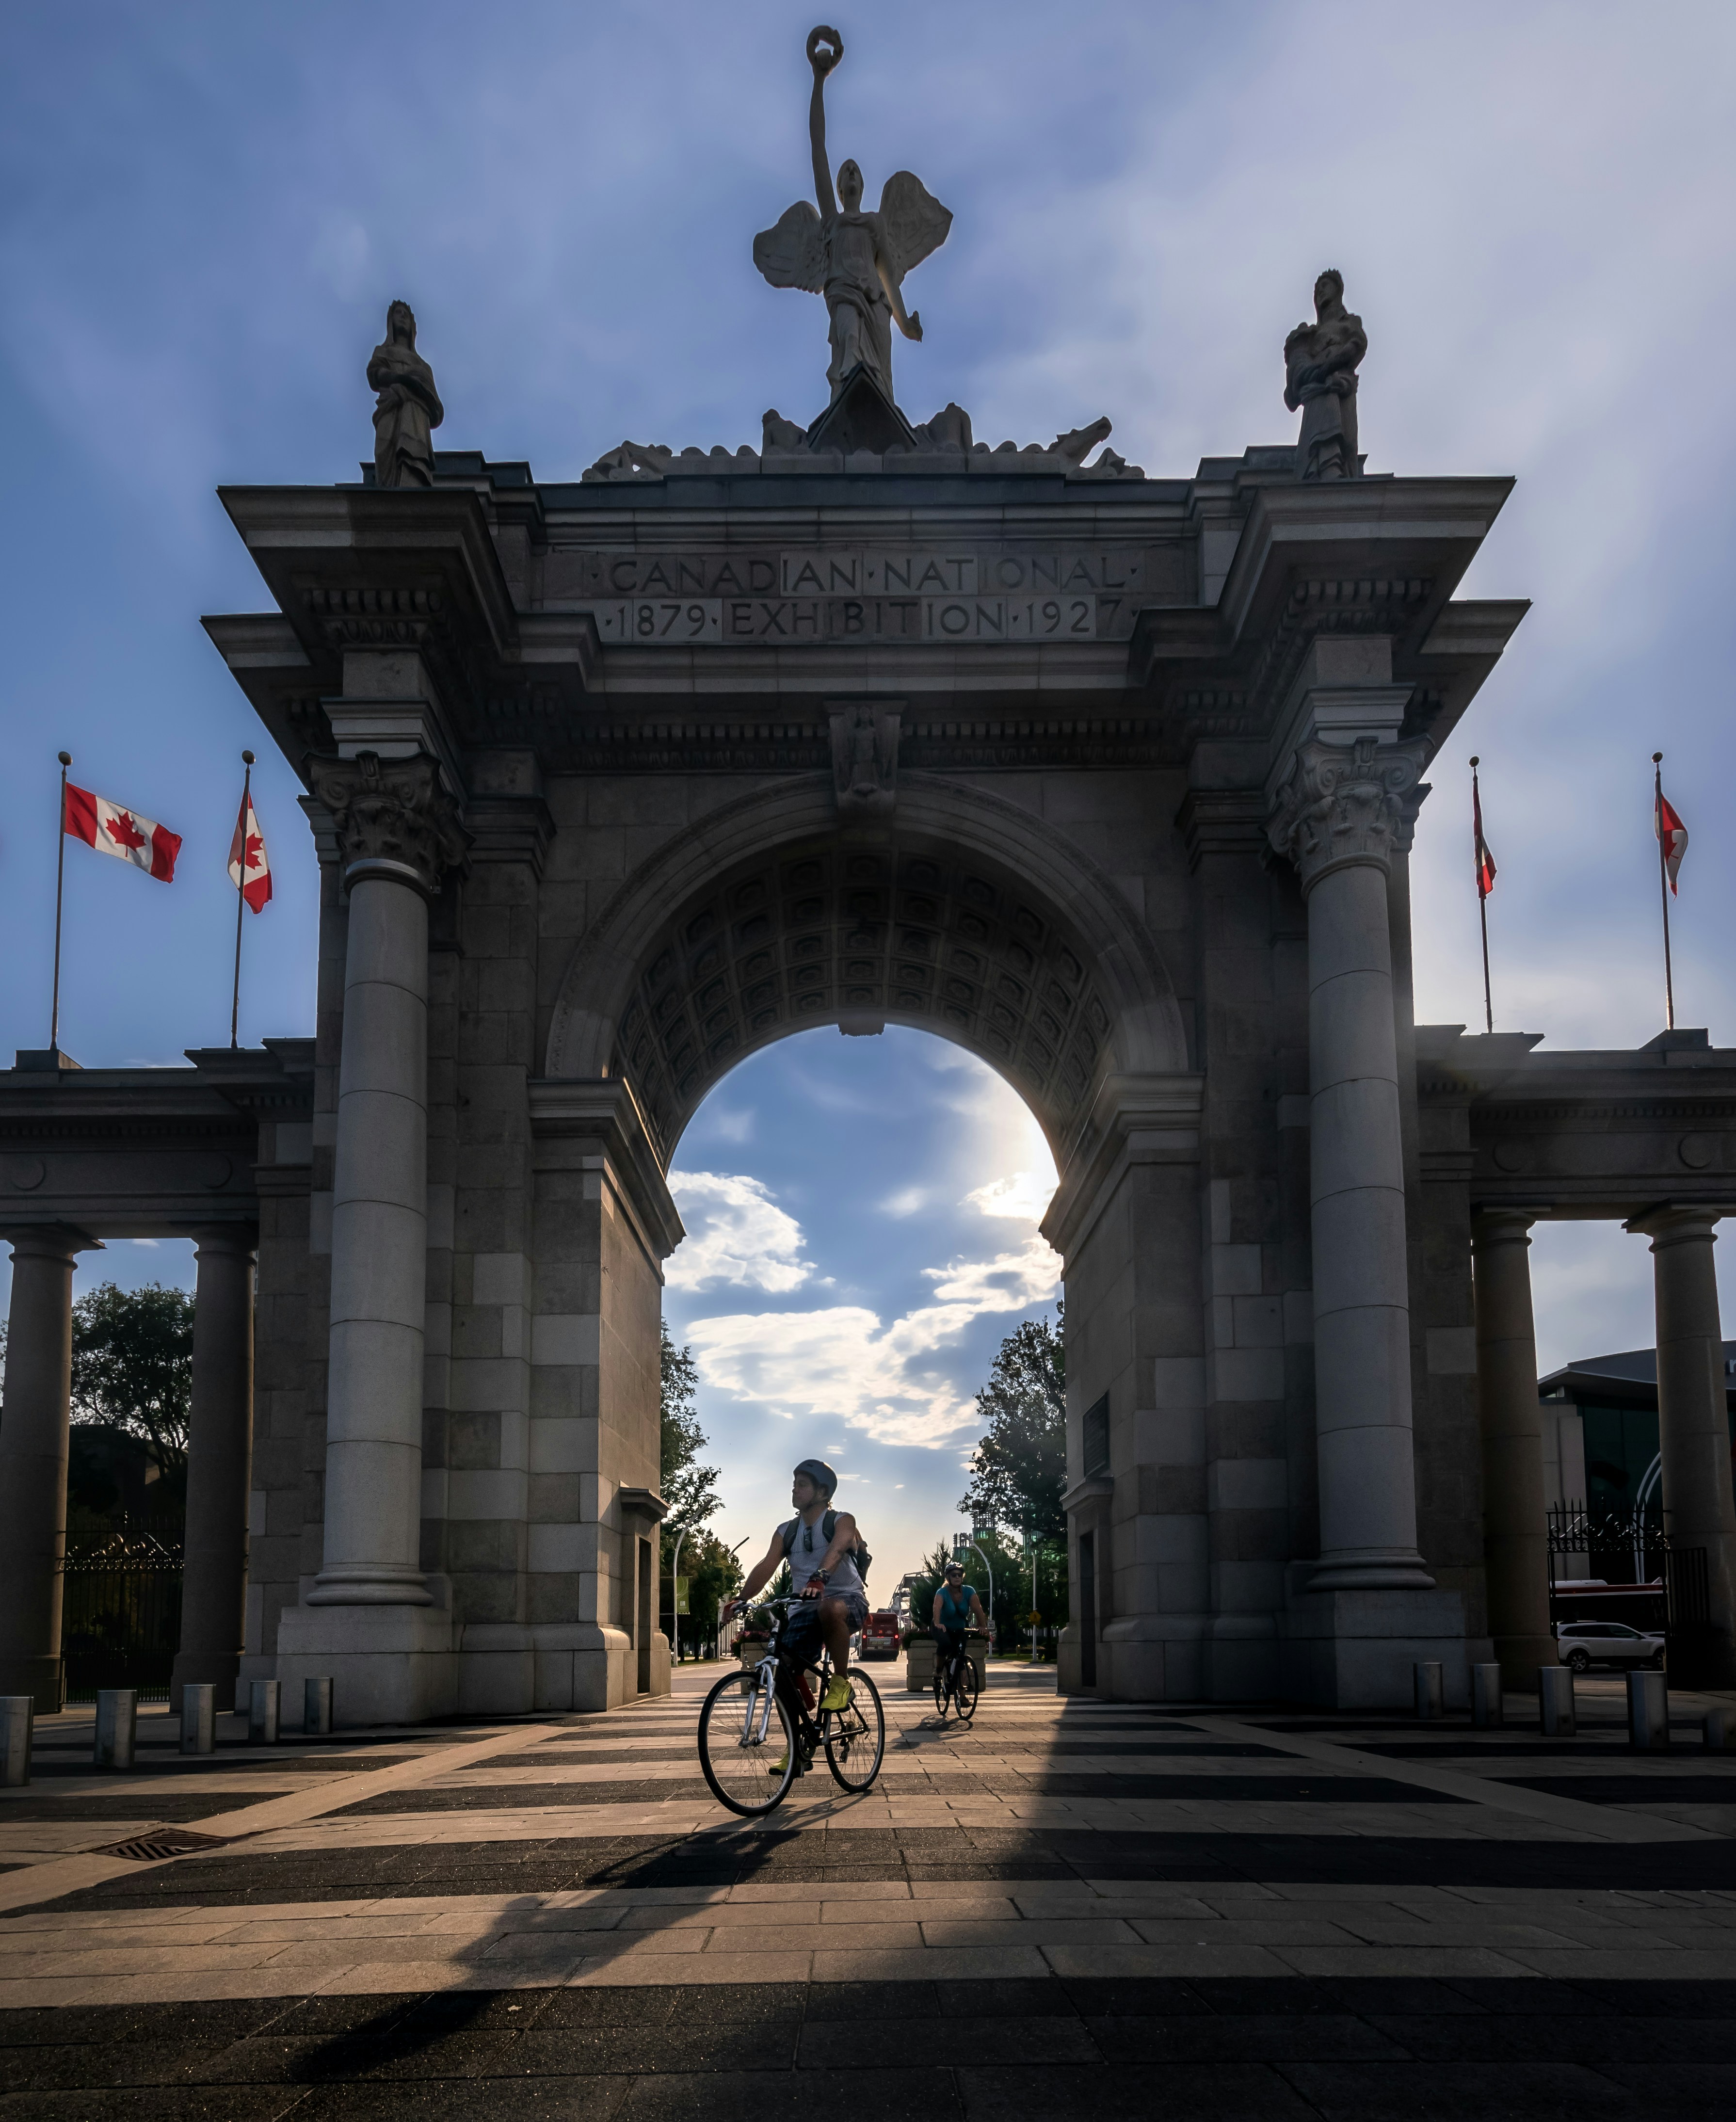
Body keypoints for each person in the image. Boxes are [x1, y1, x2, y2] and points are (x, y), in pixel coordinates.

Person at [726, 1459, 868, 1714]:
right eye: (794, 1484)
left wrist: (819, 1578)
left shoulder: (841, 1521)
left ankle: (841, 1682)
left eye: (802, 1485)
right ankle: (799, 1747)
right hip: (806, 1609)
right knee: (781, 1675)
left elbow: (837, 1548)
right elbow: (766, 1566)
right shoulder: (786, 1531)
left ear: (823, 1493)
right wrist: (740, 1599)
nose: (794, 1490)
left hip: (848, 1601)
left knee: (830, 1609)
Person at [932, 1560, 987, 1697]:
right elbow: (937, 1607)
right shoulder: (942, 1592)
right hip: (942, 1627)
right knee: (945, 1644)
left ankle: (962, 1696)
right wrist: (938, 1623)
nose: (957, 1577)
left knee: (960, 1657)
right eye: (954, 1575)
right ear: (948, 1578)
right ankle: (938, 1672)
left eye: (959, 1575)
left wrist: (982, 1626)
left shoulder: (969, 1591)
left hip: (960, 1628)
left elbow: (978, 1609)